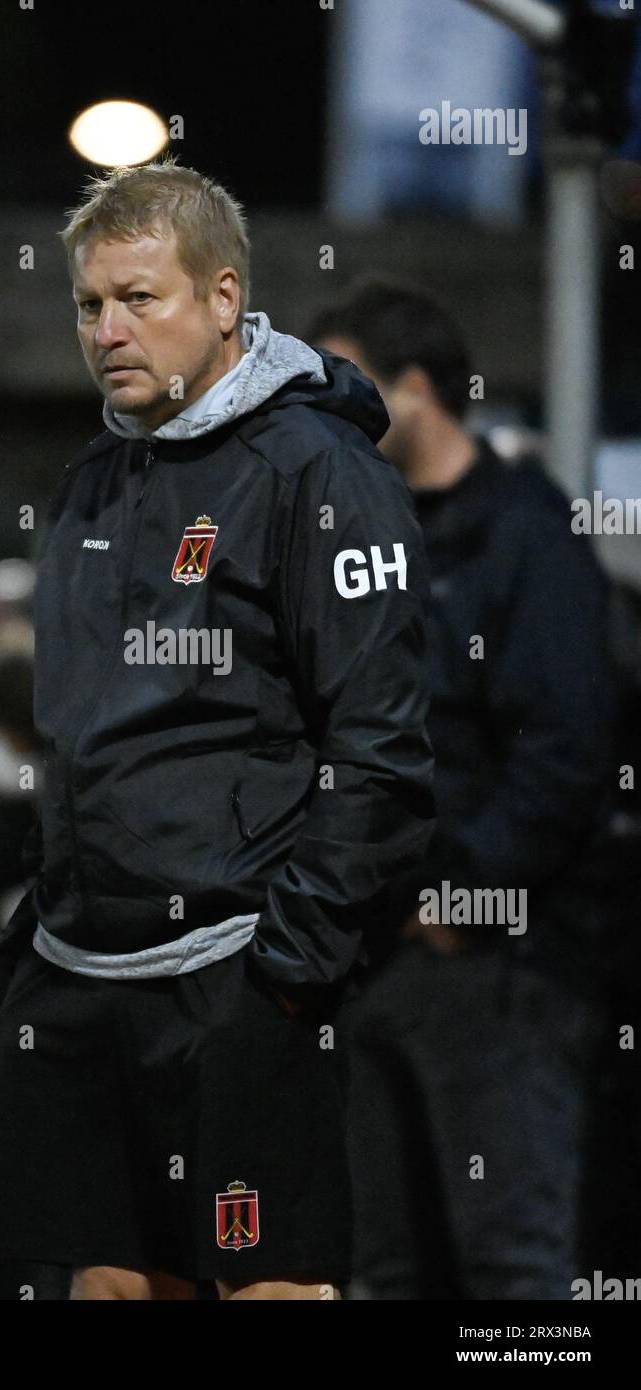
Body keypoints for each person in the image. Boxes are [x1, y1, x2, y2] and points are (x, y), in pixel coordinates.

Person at [0, 161, 435, 1301]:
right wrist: (48, 916)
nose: (108, 329)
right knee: (109, 1289)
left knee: (272, 1288)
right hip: (85, 971)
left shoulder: (319, 472)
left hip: (238, 972)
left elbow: (378, 747)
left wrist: (289, 964)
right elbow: (84, 736)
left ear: (223, 301)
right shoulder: (91, 478)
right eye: (90, 305)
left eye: (141, 298)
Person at [309, 276, 620, 1299]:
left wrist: (461, 897)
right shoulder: (354, 537)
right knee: (380, 1267)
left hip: (493, 963)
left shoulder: (525, 536)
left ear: (412, 391)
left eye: (342, 386)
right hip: (375, 954)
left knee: (509, 1268)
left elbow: (565, 750)